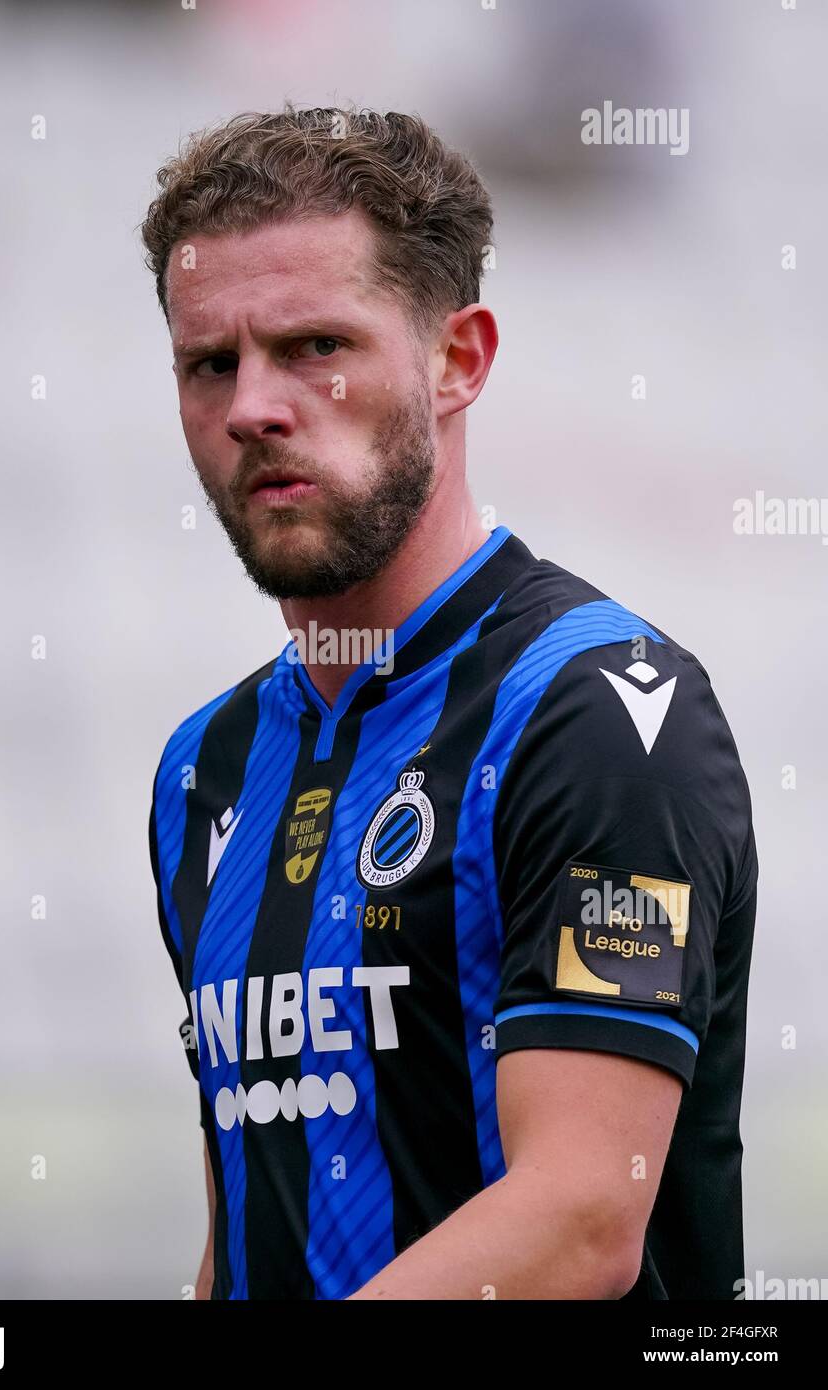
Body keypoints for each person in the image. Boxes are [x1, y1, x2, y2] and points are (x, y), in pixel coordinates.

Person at [142, 104, 757, 1300]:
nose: (252, 407)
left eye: (317, 345)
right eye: (211, 363)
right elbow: (252, 1216)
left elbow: (579, 1218)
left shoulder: (603, 711)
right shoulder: (201, 769)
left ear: (457, 359)